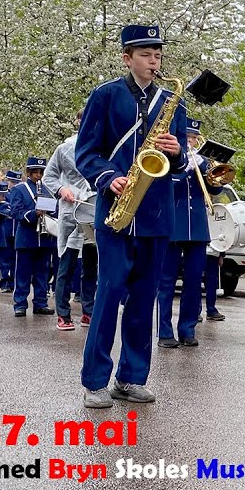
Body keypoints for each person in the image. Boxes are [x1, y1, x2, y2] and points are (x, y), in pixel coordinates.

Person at [75, 23, 188, 409]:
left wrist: (176, 152)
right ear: (127, 57)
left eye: (157, 54)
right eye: (145, 54)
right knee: (109, 294)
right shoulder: (105, 96)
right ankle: (94, 381)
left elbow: (182, 161)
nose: (154, 60)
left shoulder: (173, 101)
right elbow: (86, 152)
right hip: (116, 213)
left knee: (145, 298)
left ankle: (132, 378)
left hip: (156, 213)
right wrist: (109, 178)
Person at [156, 119, 223, 348]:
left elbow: (215, 189)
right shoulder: (167, 158)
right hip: (173, 223)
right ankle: (164, 332)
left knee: (194, 282)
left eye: (195, 138)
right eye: (189, 137)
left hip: (197, 227)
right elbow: (165, 185)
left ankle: (187, 329)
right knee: (166, 282)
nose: (193, 142)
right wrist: (184, 169)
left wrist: (211, 171)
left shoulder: (202, 162)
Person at [44, 123, 98, 331]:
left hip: (93, 211)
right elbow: (49, 176)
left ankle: (88, 311)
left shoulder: (102, 146)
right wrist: (61, 189)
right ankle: (63, 314)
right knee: (66, 266)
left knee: (91, 267)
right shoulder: (64, 148)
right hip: (71, 211)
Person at [7, 158, 56, 317]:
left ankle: (40, 303)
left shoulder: (48, 189)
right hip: (27, 238)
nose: (38, 175)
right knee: (22, 273)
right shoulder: (20, 189)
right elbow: (15, 212)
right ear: (28, 173)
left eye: (41, 172)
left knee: (42, 273)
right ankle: (20, 304)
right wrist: (34, 213)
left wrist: (50, 211)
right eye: (35, 172)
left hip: (45, 238)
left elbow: (56, 210)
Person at [0, 169, 22, 291]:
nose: (14, 184)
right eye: (12, 181)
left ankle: (14, 282)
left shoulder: (20, 193)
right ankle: (5, 283)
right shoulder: (3, 194)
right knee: (5, 259)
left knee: (16, 259)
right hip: (6, 230)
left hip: (17, 230)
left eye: (17, 182)